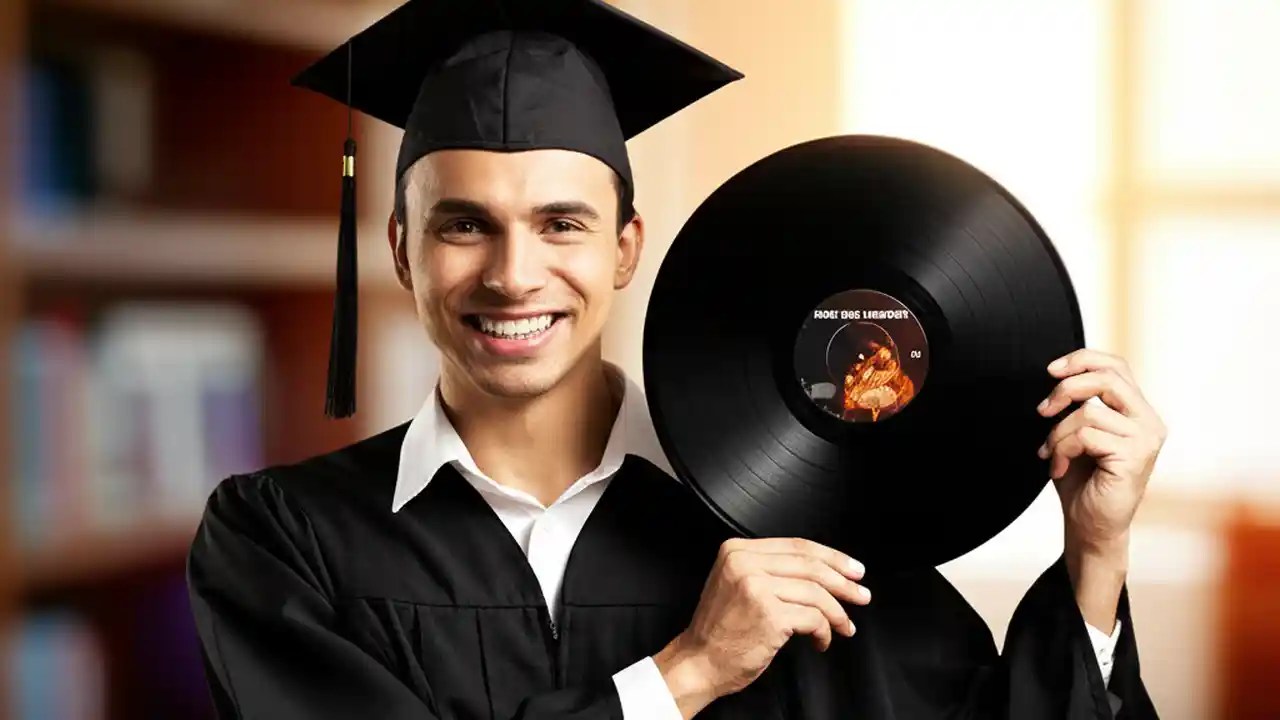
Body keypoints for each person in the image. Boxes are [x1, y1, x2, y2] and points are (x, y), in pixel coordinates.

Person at [185, 1, 1167, 718]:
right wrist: (688, 670)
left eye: (560, 223)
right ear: (401, 249)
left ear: (624, 247)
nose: (513, 274)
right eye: (463, 226)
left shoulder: (807, 527)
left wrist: (1092, 554)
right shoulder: (282, 543)